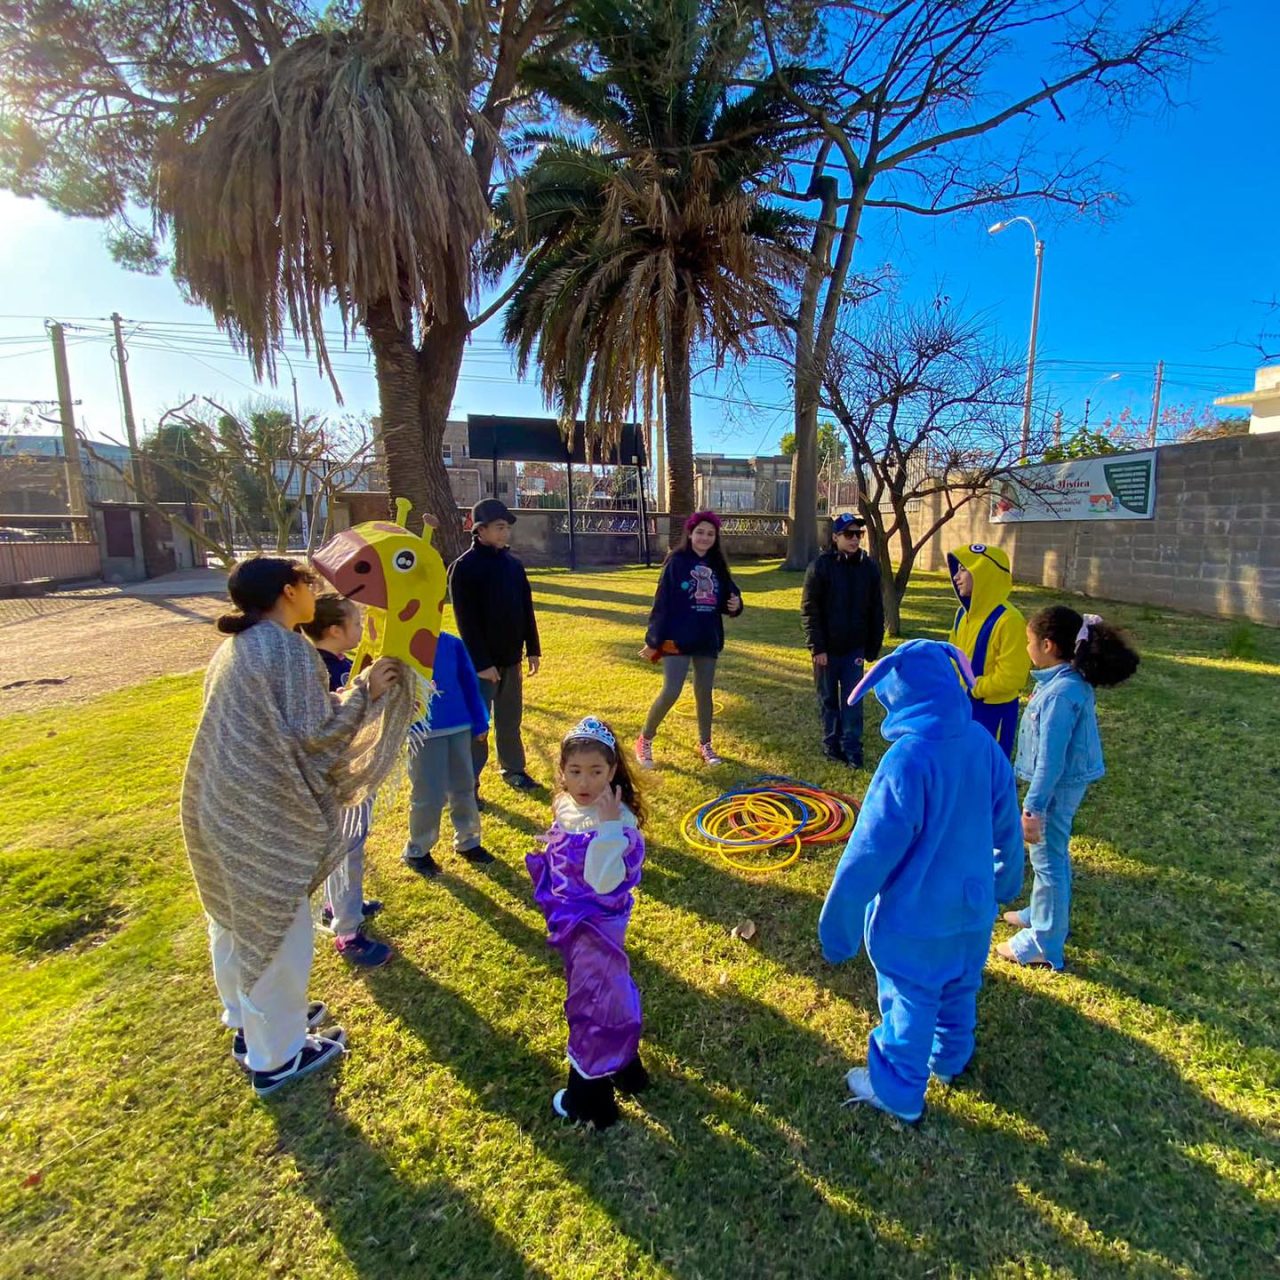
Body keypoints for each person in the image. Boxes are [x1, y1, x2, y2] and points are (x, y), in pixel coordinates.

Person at [181, 558, 414, 1097]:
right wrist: (366, 692)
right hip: (262, 813)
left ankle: (249, 1023)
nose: (316, 593)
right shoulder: (286, 648)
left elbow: (290, 723)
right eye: (309, 585)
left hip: (219, 804)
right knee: (279, 931)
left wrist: (353, 692)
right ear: (289, 592)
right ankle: (276, 1057)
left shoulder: (240, 646)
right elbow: (315, 735)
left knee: (238, 921)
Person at [818, 640, 1023, 1123]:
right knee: (959, 986)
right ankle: (949, 1060)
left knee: (910, 995)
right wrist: (1006, 880)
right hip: (974, 912)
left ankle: (897, 1090)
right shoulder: (983, 743)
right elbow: (1007, 824)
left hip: (916, 920)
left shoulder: (906, 762)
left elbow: (868, 853)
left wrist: (838, 925)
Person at [997, 607, 1139, 970]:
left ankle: (1043, 941)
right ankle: (1041, 912)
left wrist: (1033, 809)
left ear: (1047, 645)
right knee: (1048, 856)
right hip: (1061, 783)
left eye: (1029, 642)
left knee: (1047, 858)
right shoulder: (1064, 682)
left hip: (1057, 787)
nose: (1027, 648)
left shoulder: (1061, 694)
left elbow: (1051, 761)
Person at [527, 717, 649, 1130]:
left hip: (595, 930)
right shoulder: (572, 804)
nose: (584, 782)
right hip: (577, 928)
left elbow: (601, 879)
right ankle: (627, 1070)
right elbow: (566, 830)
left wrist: (611, 829)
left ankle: (590, 1100)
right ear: (562, 771)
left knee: (592, 1004)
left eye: (596, 772)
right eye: (575, 771)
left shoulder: (618, 824)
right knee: (610, 992)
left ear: (612, 771)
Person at [299, 594, 394, 968]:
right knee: (345, 850)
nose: (361, 628)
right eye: (356, 623)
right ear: (335, 630)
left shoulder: (342, 663)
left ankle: (335, 905)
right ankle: (348, 932)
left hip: (351, 775)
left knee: (347, 848)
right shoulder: (316, 671)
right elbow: (329, 725)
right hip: (335, 782)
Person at [635, 511, 743, 769]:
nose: (704, 537)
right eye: (700, 532)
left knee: (704, 692)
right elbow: (662, 602)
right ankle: (645, 738)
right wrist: (653, 640)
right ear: (690, 533)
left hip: (707, 636)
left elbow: (731, 595)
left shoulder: (718, 564)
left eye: (710, 533)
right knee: (672, 690)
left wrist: (736, 604)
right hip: (676, 637)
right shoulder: (676, 561)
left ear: (715, 537)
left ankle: (705, 744)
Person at [449, 498, 541, 793]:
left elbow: (526, 609)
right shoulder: (464, 568)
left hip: (510, 659)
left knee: (510, 720)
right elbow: (466, 622)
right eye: (499, 527)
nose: (505, 534)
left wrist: (533, 648)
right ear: (480, 530)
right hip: (482, 666)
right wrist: (481, 664)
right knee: (477, 726)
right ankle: (468, 782)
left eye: (507, 528)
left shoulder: (513, 566)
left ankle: (513, 769)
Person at [402, 629, 493, 877]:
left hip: (459, 725)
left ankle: (468, 841)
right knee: (429, 793)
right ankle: (417, 849)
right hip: (423, 731)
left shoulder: (452, 644)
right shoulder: (399, 642)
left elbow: (469, 683)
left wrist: (479, 721)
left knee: (464, 785)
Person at [801, 513, 885, 767]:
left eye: (858, 534)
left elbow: (876, 609)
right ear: (835, 537)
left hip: (854, 649)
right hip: (826, 649)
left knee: (853, 700)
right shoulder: (820, 567)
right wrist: (817, 647)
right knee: (828, 699)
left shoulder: (869, 568)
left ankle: (852, 749)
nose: (854, 539)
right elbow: (809, 609)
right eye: (848, 534)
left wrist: (872, 645)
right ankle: (831, 744)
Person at [946, 543, 1031, 758]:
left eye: (964, 569)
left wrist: (975, 687)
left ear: (984, 572)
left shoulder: (1009, 620)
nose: (956, 577)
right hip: (963, 705)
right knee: (962, 763)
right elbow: (952, 654)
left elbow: (1012, 677)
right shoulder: (962, 614)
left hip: (994, 711)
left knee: (989, 768)